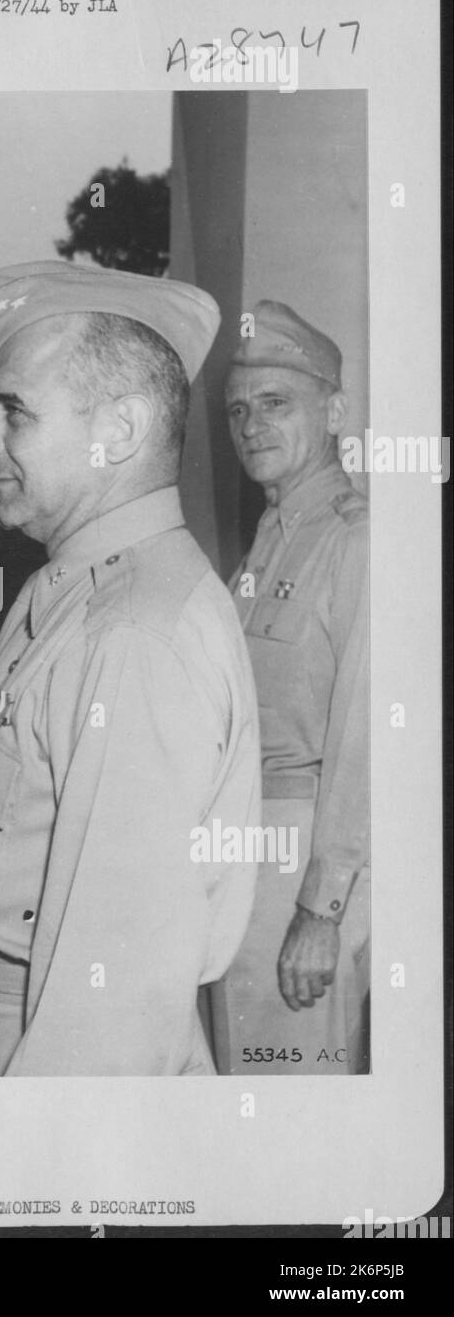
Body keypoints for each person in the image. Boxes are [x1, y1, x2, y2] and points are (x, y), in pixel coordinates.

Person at [0, 259, 262, 1076]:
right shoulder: (71, 587)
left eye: (13, 411)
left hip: (39, 1044)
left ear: (119, 429)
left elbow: (112, 1011)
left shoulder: (133, 637)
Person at [208, 300, 370, 1076]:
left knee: (288, 1099)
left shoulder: (354, 538)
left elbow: (363, 740)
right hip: (245, 843)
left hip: (299, 852)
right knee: (245, 1091)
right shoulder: (269, 538)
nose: (250, 424)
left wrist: (319, 908)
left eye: (275, 403)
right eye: (239, 409)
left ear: (333, 410)